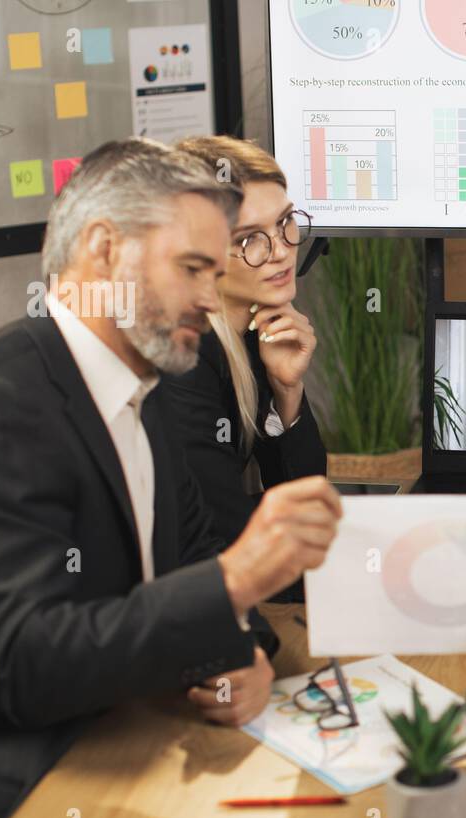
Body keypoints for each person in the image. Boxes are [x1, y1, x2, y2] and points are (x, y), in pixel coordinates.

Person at [0, 138, 342, 818]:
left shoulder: (142, 389)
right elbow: (29, 667)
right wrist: (238, 582)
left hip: (119, 739)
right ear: (101, 250)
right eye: (193, 269)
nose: (210, 298)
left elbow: (189, 561)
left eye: (216, 274)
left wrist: (240, 652)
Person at [168, 136, 327, 552]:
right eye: (248, 239)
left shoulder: (256, 331)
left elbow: (303, 503)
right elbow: (224, 543)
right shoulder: (181, 356)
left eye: (285, 222)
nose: (281, 250)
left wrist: (286, 391)